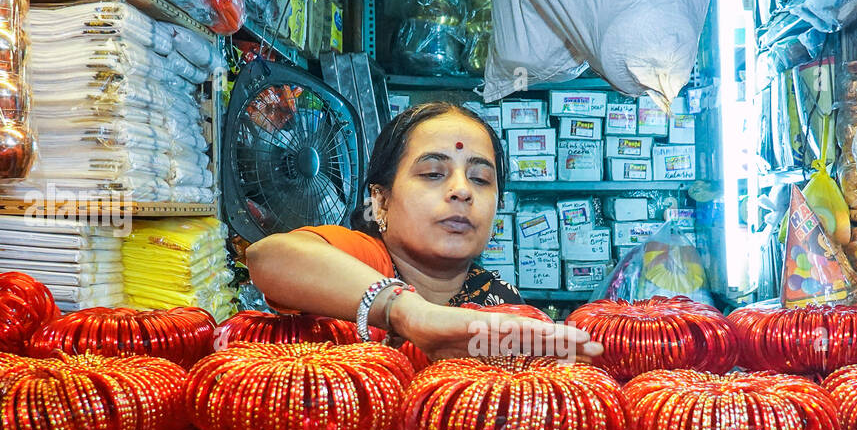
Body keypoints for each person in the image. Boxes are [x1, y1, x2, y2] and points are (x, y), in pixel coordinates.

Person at [247, 101, 601, 362]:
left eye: (480, 179)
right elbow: (268, 256)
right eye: (433, 173)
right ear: (381, 201)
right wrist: (409, 314)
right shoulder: (365, 260)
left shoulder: (499, 298)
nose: (462, 191)